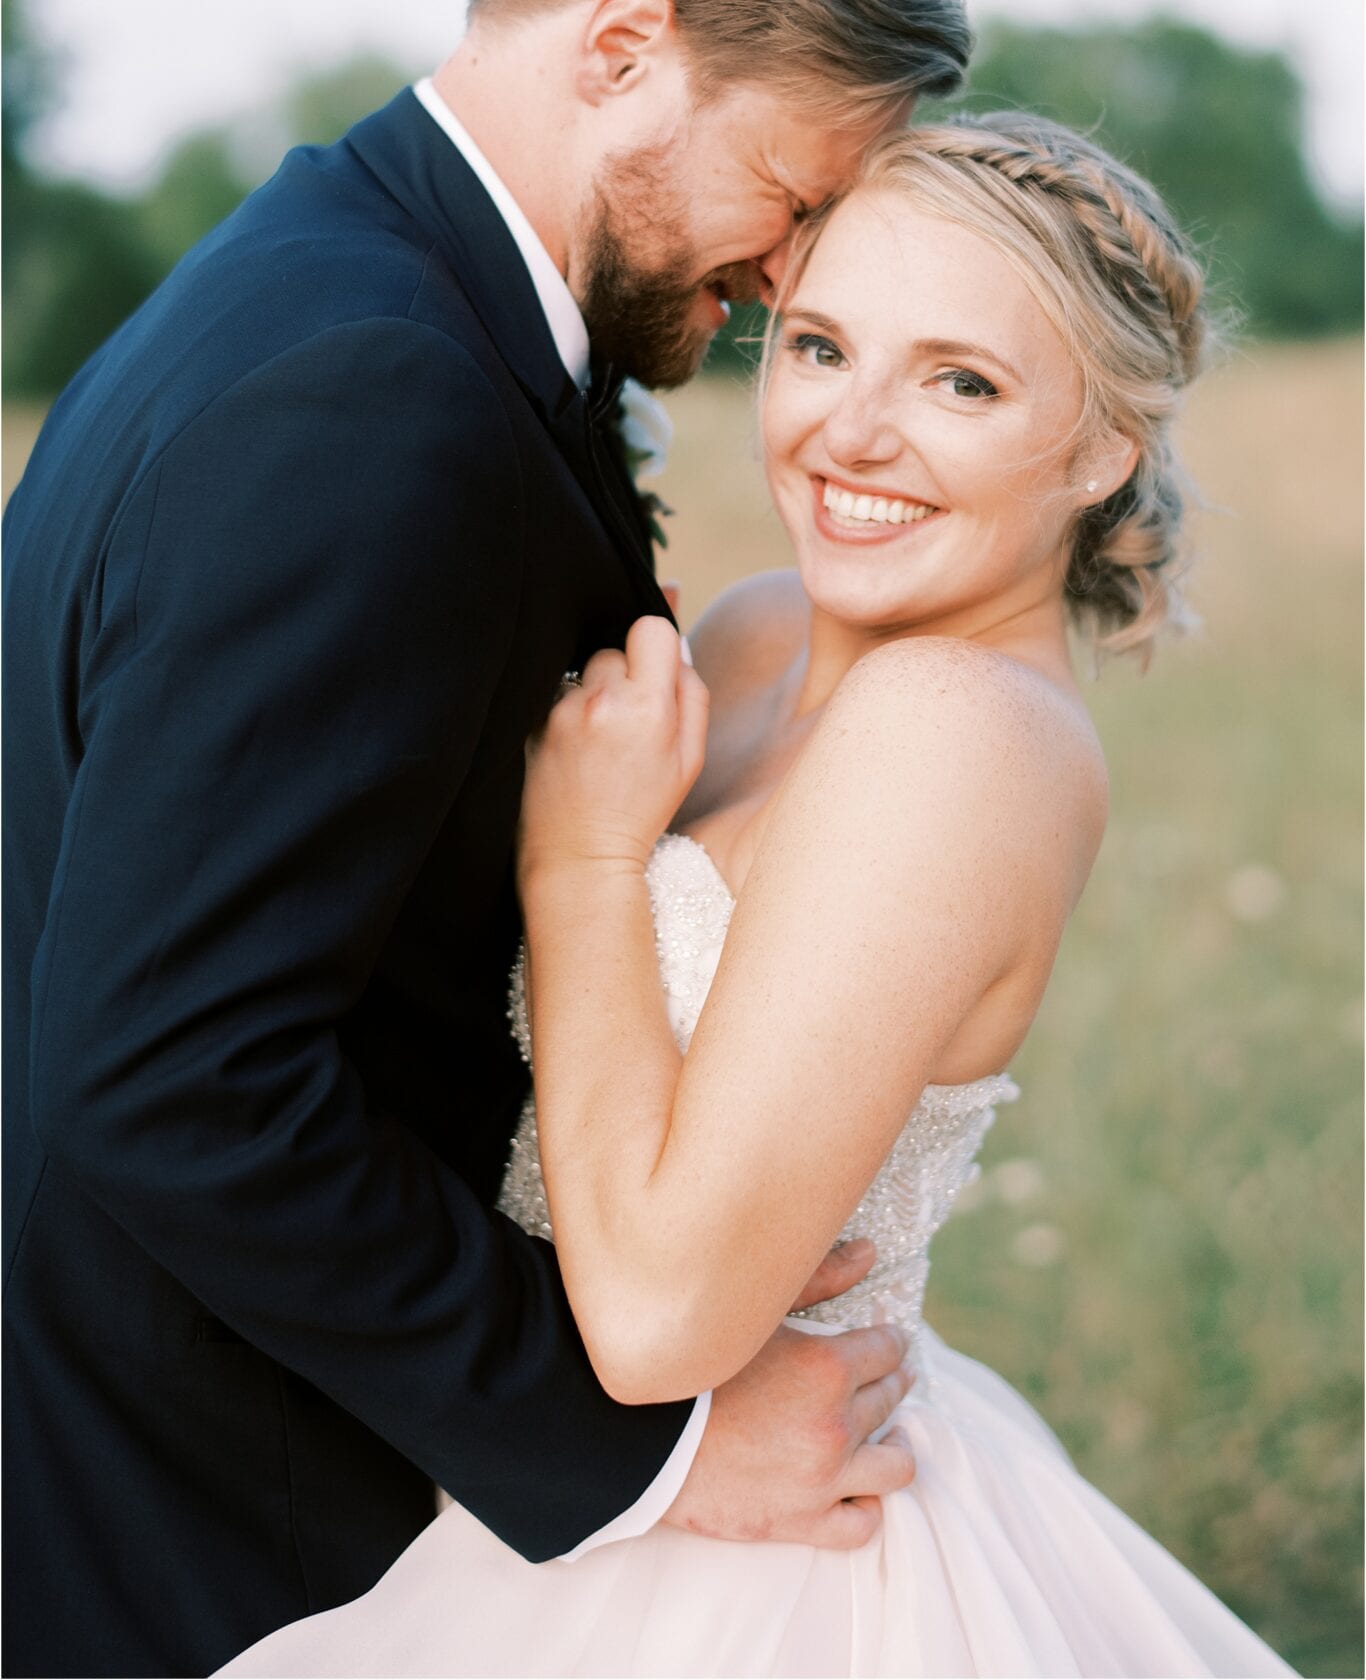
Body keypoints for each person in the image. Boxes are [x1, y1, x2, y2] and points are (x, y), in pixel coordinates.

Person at [0, 0, 971, 1679]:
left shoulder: (338, 282)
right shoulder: (374, 393)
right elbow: (175, 1075)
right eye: (791, 196)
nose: (788, 275)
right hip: (216, 1510)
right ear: (623, 46)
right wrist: (645, 1447)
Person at [217, 114, 1296, 1678]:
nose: (851, 434)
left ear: (1097, 448)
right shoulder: (752, 634)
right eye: (819, 348)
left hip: (741, 1568)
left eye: (960, 383)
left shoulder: (957, 733)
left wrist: (580, 864)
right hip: (536, 1476)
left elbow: (661, 1317)